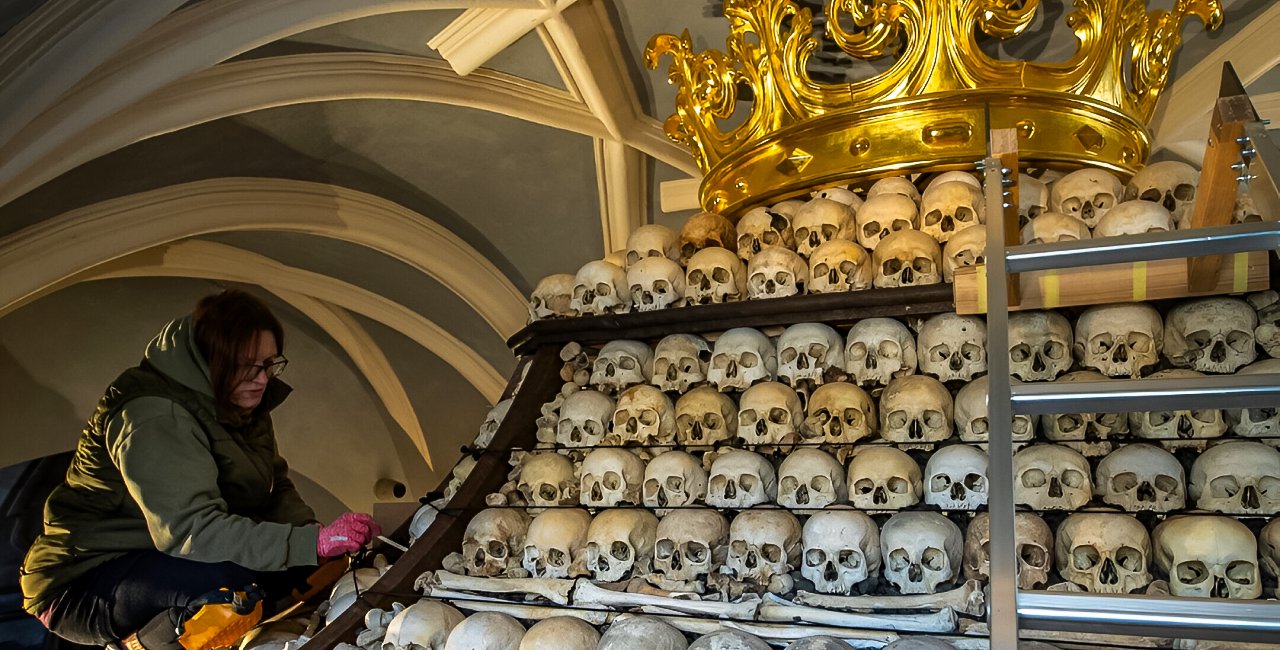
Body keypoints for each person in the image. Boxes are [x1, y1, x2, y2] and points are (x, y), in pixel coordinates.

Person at [20, 289, 381, 649]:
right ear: (212, 361)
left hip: (166, 554)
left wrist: (307, 530)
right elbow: (191, 529)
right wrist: (304, 543)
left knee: (310, 567)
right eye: (248, 366)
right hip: (84, 580)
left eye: (270, 364)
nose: (263, 378)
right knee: (229, 595)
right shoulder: (152, 417)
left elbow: (274, 485)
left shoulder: (241, 402)